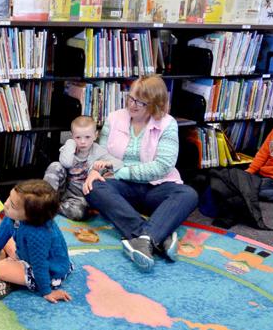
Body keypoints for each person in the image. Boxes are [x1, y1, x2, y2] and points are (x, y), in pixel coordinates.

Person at [83, 75, 198, 271]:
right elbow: (102, 155)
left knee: (188, 194)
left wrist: (122, 171)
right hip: (122, 188)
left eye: (140, 102)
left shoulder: (168, 124)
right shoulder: (114, 118)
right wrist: (95, 170)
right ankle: (154, 236)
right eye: (131, 98)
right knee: (93, 187)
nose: (133, 105)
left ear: (154, 104)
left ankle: (144, 238)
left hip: (158, 186)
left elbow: (162, 166)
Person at [0, 180, 72, 303]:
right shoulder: (13, 217)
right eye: (9, 197)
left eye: (13, 205)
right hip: (25, 254)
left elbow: (40, 265)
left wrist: (47, 291)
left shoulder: (38, 234)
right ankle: (12, 276)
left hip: (49, 271)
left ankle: (10, 282)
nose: (6, 203)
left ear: (30, 216)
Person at [44, 115, 121, 220]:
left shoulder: (98, 151)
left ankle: (53, 208)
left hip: (80, 198)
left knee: (79, 213)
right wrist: (70, 143)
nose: (82, 142)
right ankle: (45, 200)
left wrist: (106, 163)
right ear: (72, 136)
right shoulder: (69, 148)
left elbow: (120, 164)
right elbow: (65, 163)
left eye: (87, 137)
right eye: (78, 137)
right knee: (55, 166)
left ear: (95, 135)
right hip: (62, 190)